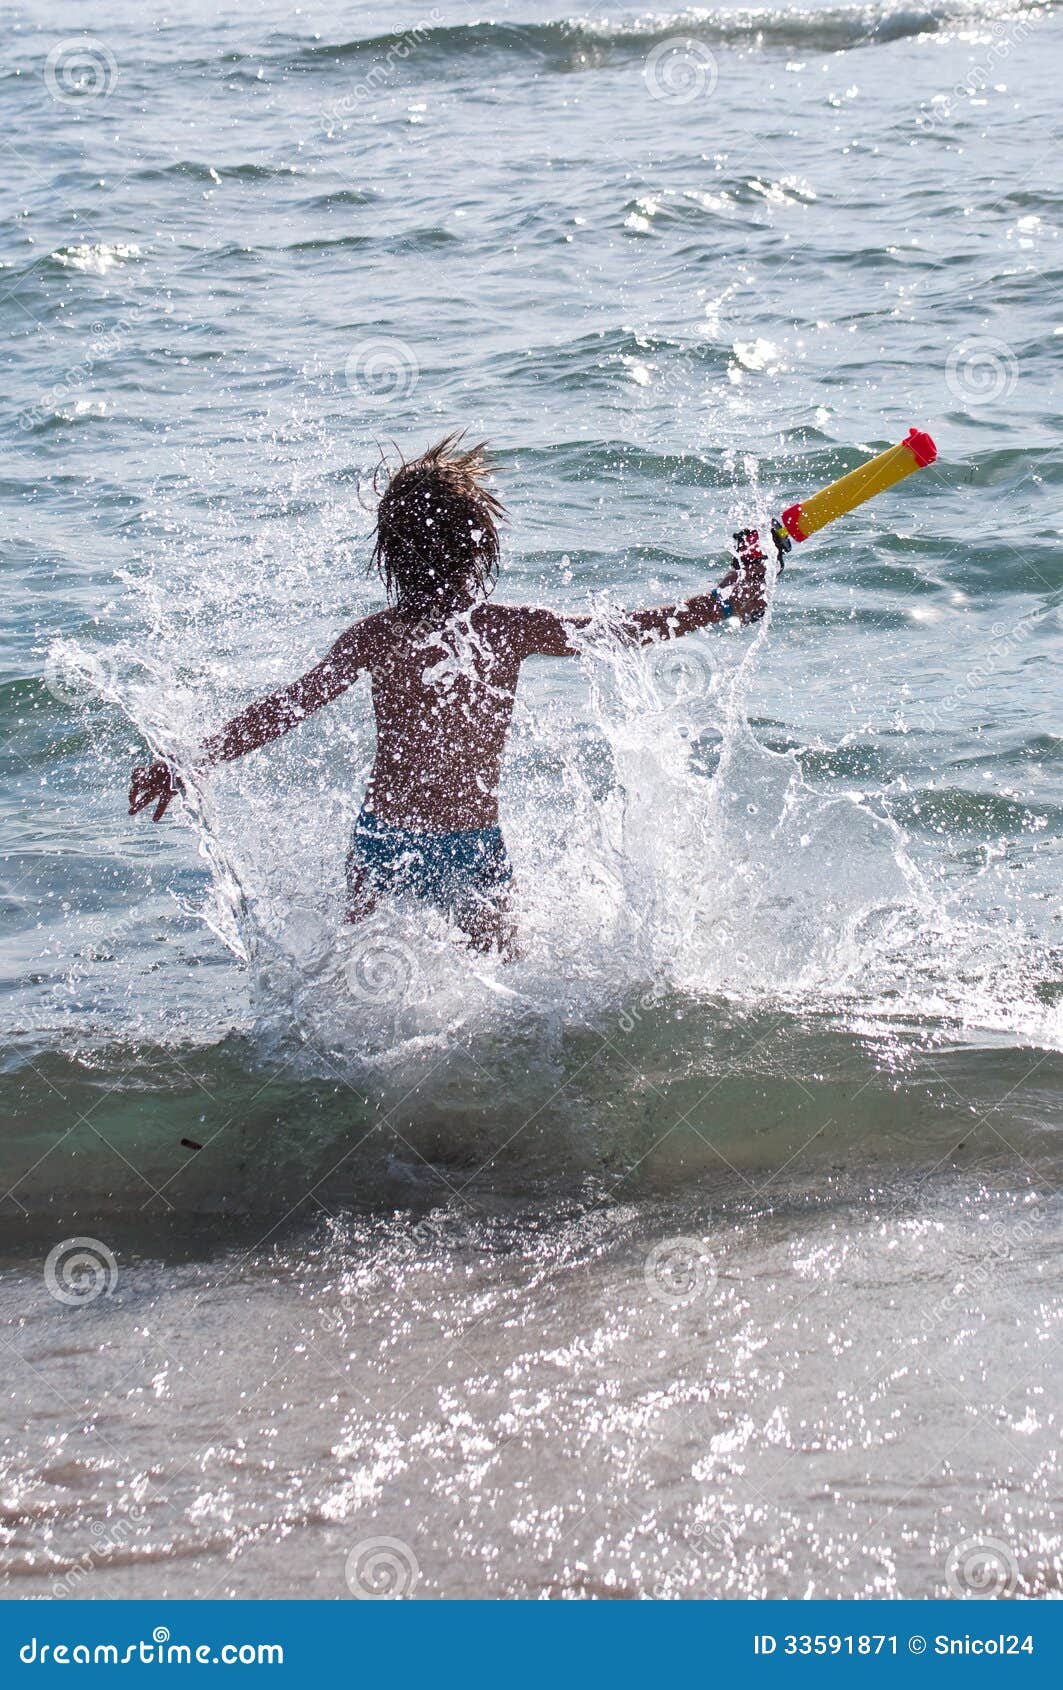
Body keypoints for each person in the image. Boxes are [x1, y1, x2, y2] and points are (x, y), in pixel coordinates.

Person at [129, 434, 775, 955]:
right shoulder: (506, 628)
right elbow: (619, 633)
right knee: (510, 991)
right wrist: (719, 603)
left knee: (352, 989)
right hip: (471, 846)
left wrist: (194, 759)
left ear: (391, 556)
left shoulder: (376, 638)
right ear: (478, 545)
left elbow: (287, 707)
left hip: (385, 842)